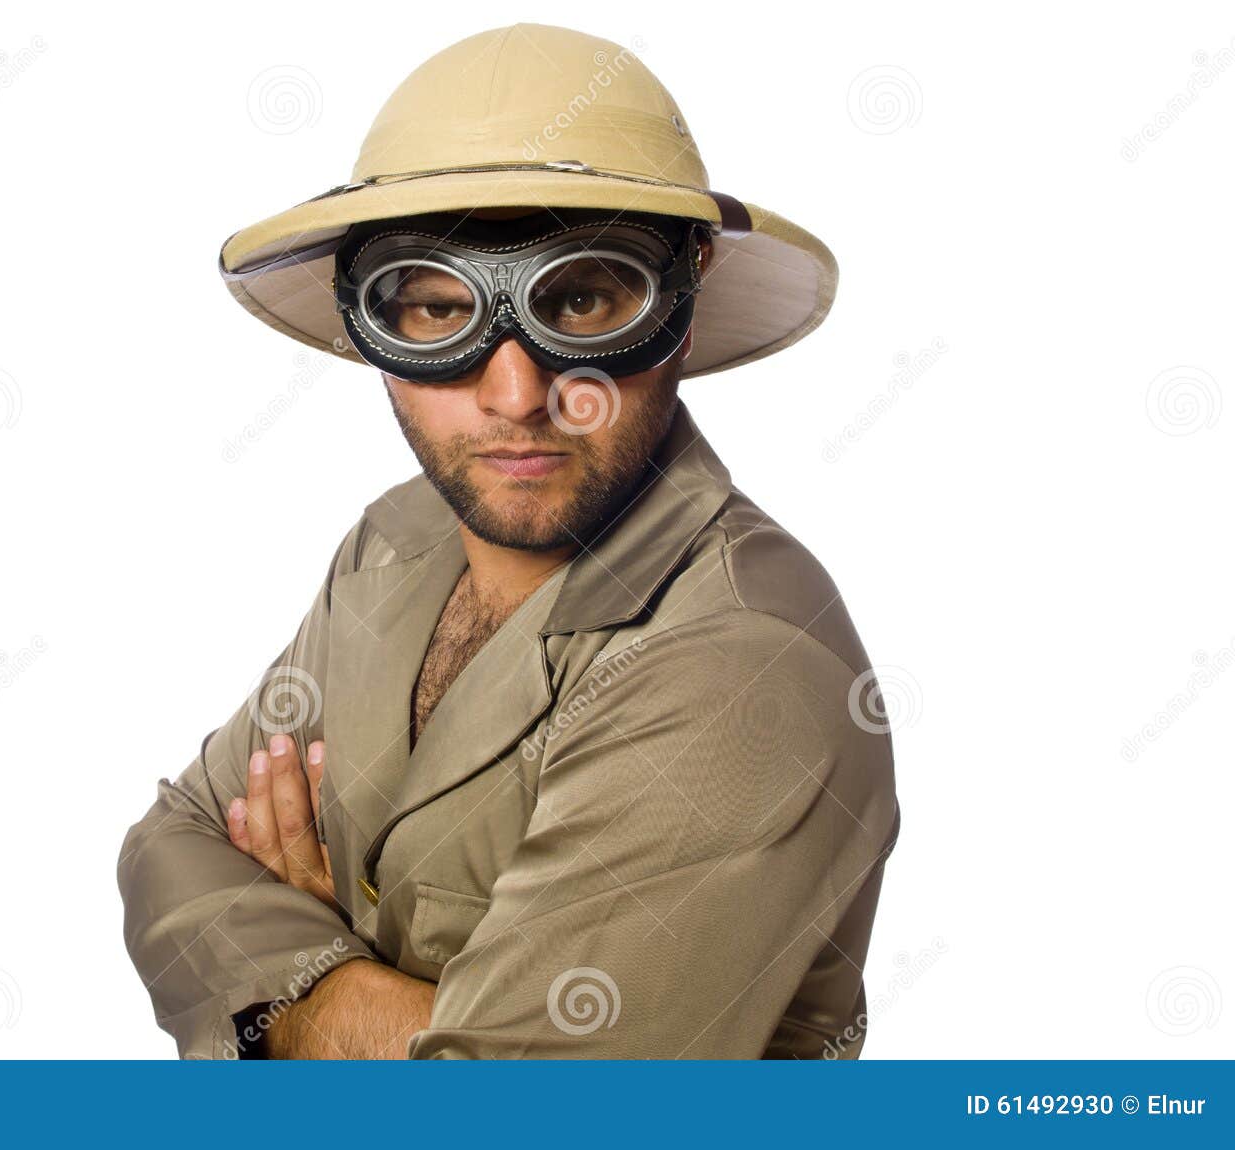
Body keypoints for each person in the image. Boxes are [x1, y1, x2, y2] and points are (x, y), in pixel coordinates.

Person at [117, 22, 900, 1059]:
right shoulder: (394, 545)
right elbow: (168, 848)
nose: (520, 394)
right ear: (370, 326)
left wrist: (302, 989)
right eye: (438, 310)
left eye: (580, 299)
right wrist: (396, 1005)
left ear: (683, 292)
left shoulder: (745, 660)